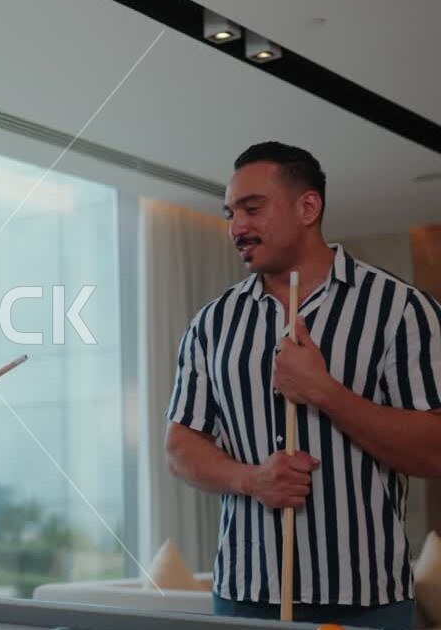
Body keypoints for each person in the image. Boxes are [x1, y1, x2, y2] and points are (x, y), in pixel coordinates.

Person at [165, 141, 441, 629]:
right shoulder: (211, 323)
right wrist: (251, 479)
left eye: (253, 208)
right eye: (231, 213)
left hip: (367, 601)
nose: (237, 228)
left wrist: (324, 392)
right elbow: (181, 446)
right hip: (244, 598)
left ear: (308, 207)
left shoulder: (401, 309)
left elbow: (434, 451)